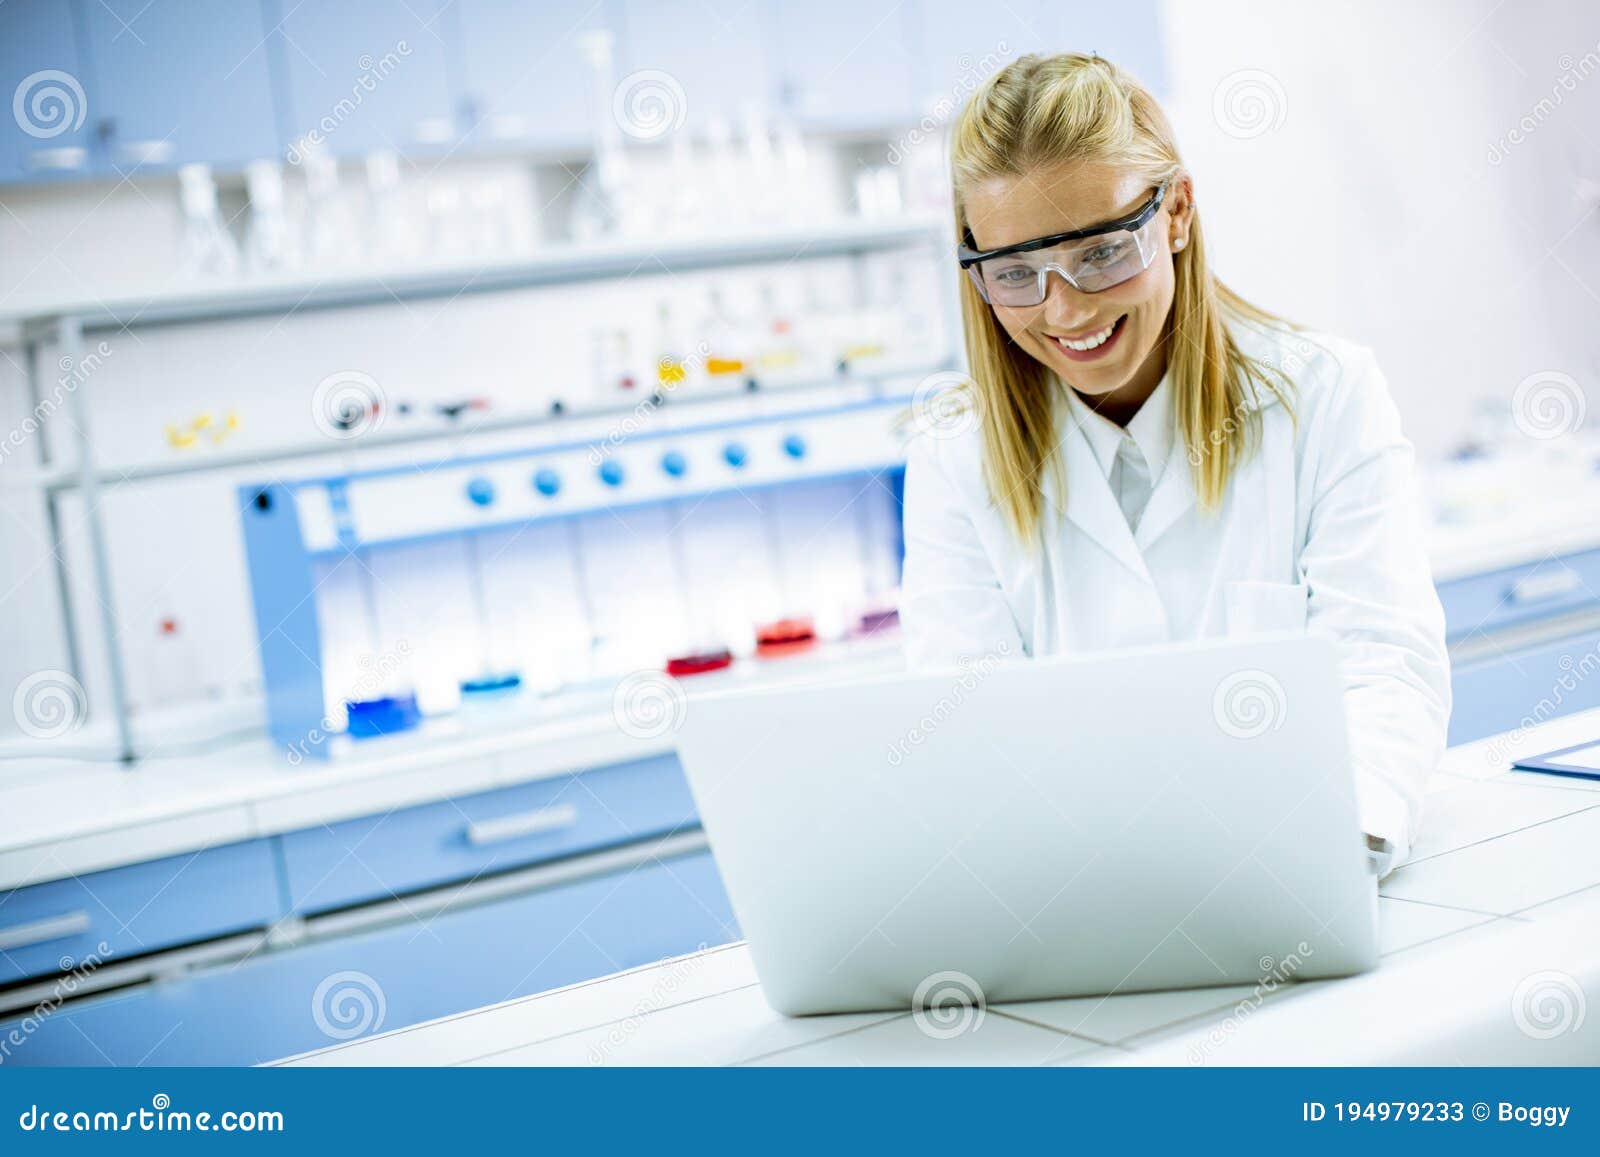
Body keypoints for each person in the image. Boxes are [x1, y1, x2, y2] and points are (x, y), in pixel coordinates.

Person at [899, 53, 1450, 875]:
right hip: (1071, 902)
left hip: (1300, 878)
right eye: (1015, 273)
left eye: (1100, 252)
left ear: (1178, 213)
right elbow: (964, 728)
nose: (1066, 309)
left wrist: (1335, 850)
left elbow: (1385, 670)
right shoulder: (952, 456)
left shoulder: (1326, 395)